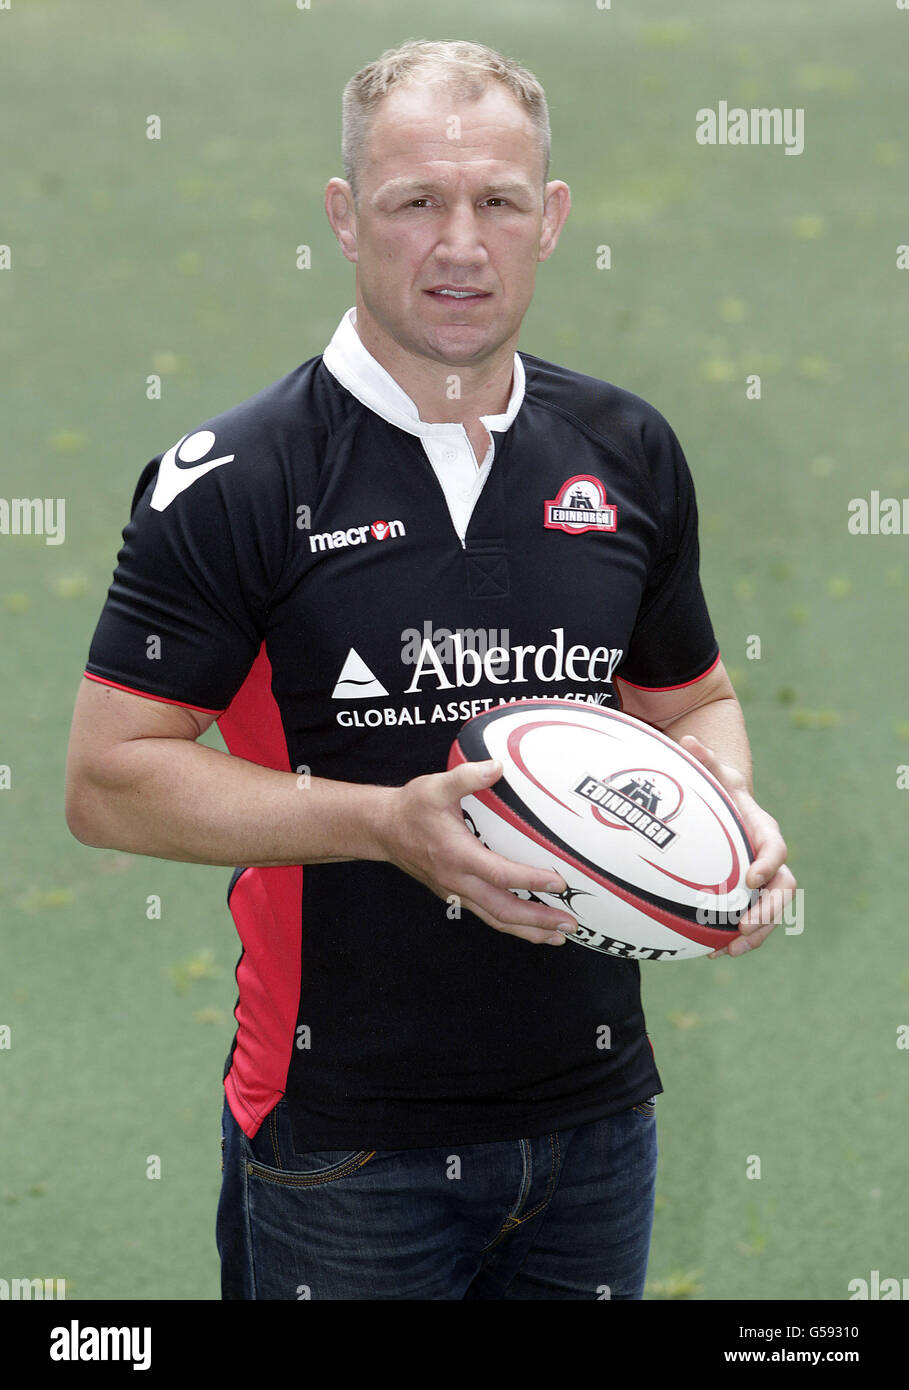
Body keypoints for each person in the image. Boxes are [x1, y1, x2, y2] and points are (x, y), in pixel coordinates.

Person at [64, 39, 795, 1301]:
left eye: (497, 202)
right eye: (416, 201)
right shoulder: (237, 479)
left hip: (598, 1119)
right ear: (346, 216)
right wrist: (382, 826)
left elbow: (691, 699)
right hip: (345, 1136)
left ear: (551, 219)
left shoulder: (626, 449)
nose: (460, 243)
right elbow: (107, 781)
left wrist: (727, 814)